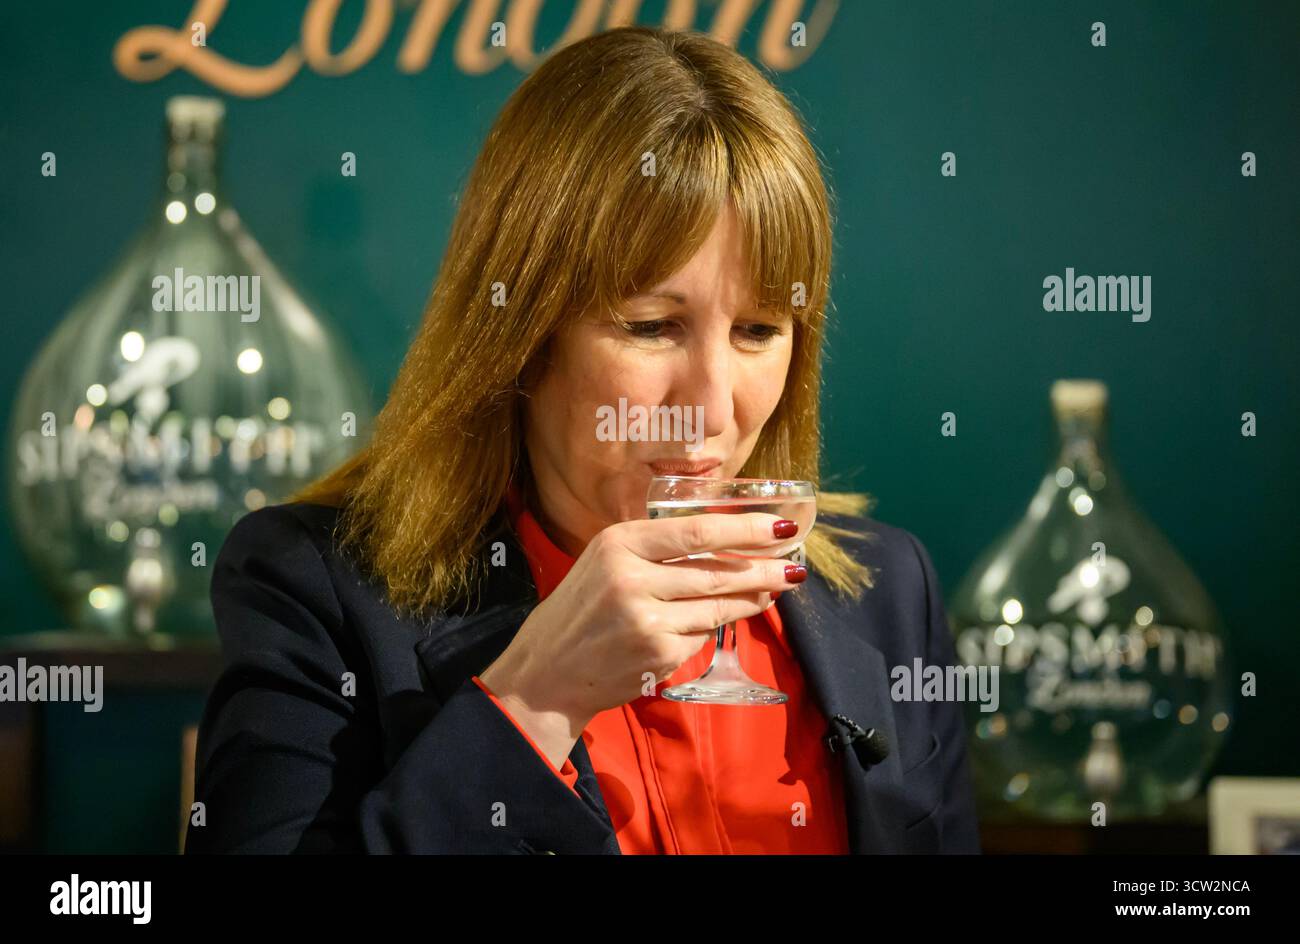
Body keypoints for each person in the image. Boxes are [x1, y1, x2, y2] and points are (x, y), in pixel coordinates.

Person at [184, 25, 979, 855]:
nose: (710, 406)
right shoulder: (315, 589)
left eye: (757, 329)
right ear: (525, 333)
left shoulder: (889, 593)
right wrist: (536, 699)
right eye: (651, 326)